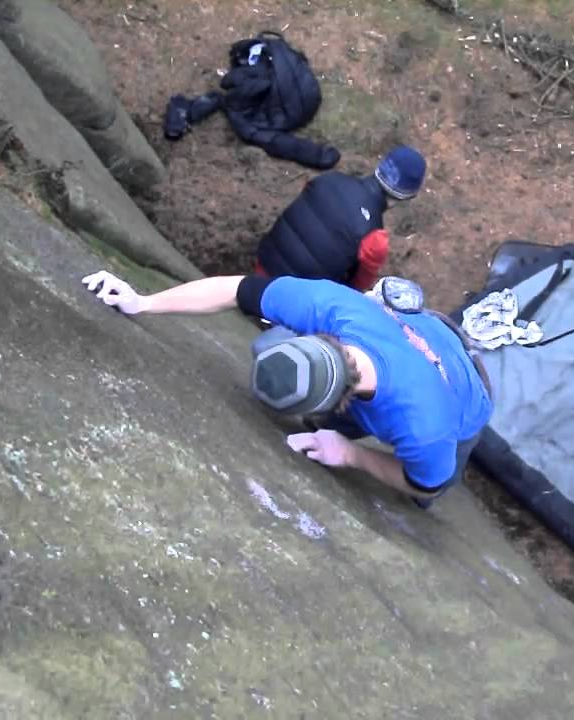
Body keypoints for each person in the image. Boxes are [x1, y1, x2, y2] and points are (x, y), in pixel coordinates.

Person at [80, 268, 491, 507]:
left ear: (342, 400)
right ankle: (325, 424)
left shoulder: (427, 427)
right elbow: (234, 289)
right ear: (317, 336)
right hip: (419, 330)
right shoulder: (331, 306)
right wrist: (143, 302)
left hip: (469, 384)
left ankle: (339, 433)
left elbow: (425, 481)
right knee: (279, 367)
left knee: (430, 487)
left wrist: (350, 454)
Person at [254, 144, 426, 292]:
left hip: (263, 264)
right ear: (405, 197)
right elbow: (354, 290)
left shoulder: (328, 179)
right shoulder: (375, 237)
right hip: (294, 300)